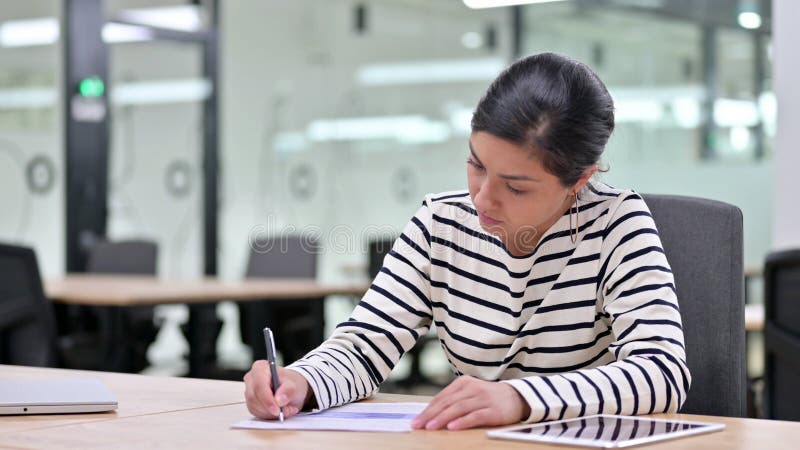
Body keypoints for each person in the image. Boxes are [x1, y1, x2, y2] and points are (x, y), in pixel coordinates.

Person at [243, 52, 690, 430]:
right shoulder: (441, 222)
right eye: (476, 165)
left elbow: (662, 374)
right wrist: (302, 381)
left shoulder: (617, 223)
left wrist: (519, 398)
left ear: (580, 180)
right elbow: (364, 347)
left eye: (515, 187)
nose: (482, 197)